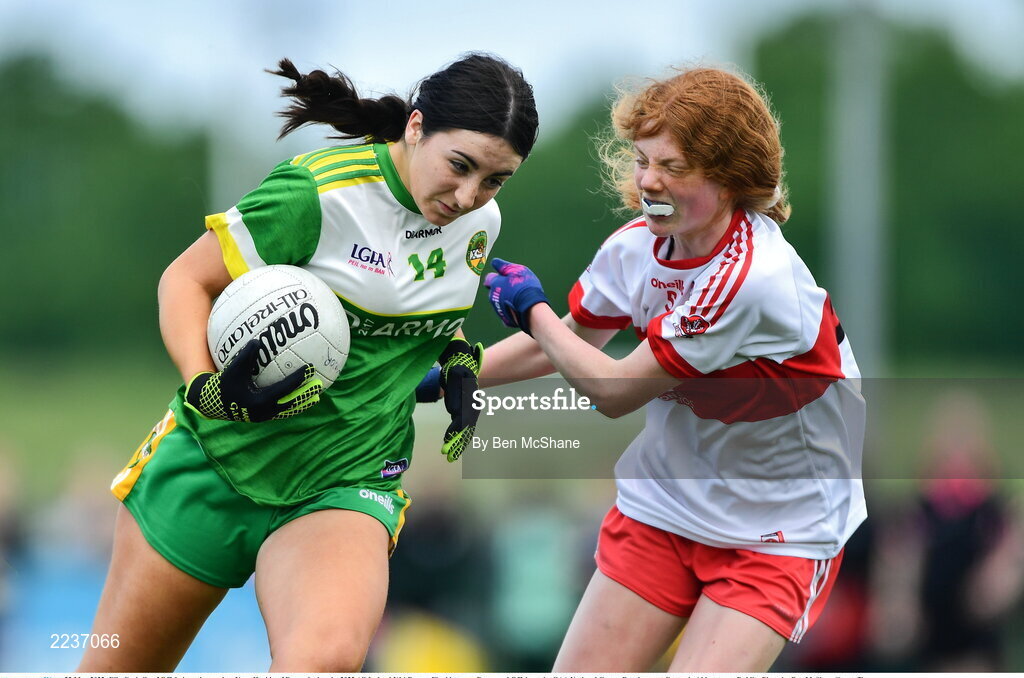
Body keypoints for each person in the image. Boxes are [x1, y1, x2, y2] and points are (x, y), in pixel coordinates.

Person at [79, 53, 538, 672]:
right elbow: (184, 282)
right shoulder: (318, 193)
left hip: (344, 481)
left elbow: (425, 310)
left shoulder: (481, 223)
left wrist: (454, 354)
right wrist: (203, 387)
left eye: (494, 179)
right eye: (460, 166)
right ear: (415, 126)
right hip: (216, 464)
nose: (468, 195)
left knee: (321, 662)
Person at [474, 66, 865, 671]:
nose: (649, 180)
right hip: (665, 507)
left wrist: (533, 310)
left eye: (674, 167)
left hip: (778, 528)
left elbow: (612, 389)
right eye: (642, 160)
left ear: (732, 179)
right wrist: (454, 370)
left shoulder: (750, 278)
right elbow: (574, 342)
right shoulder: (635, 247)